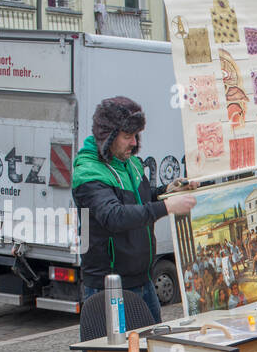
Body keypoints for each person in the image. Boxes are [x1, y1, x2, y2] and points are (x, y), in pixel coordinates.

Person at [73, 96, 197, 322]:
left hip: (142, 280)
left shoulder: (131, 164)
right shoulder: (88, 172)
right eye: (127, 136)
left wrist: (169, 191)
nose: (133, 143)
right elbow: (114, 216)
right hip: (109, 286)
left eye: (136, 136)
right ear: (107, 136)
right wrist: (167, 206)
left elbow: (140, 200)